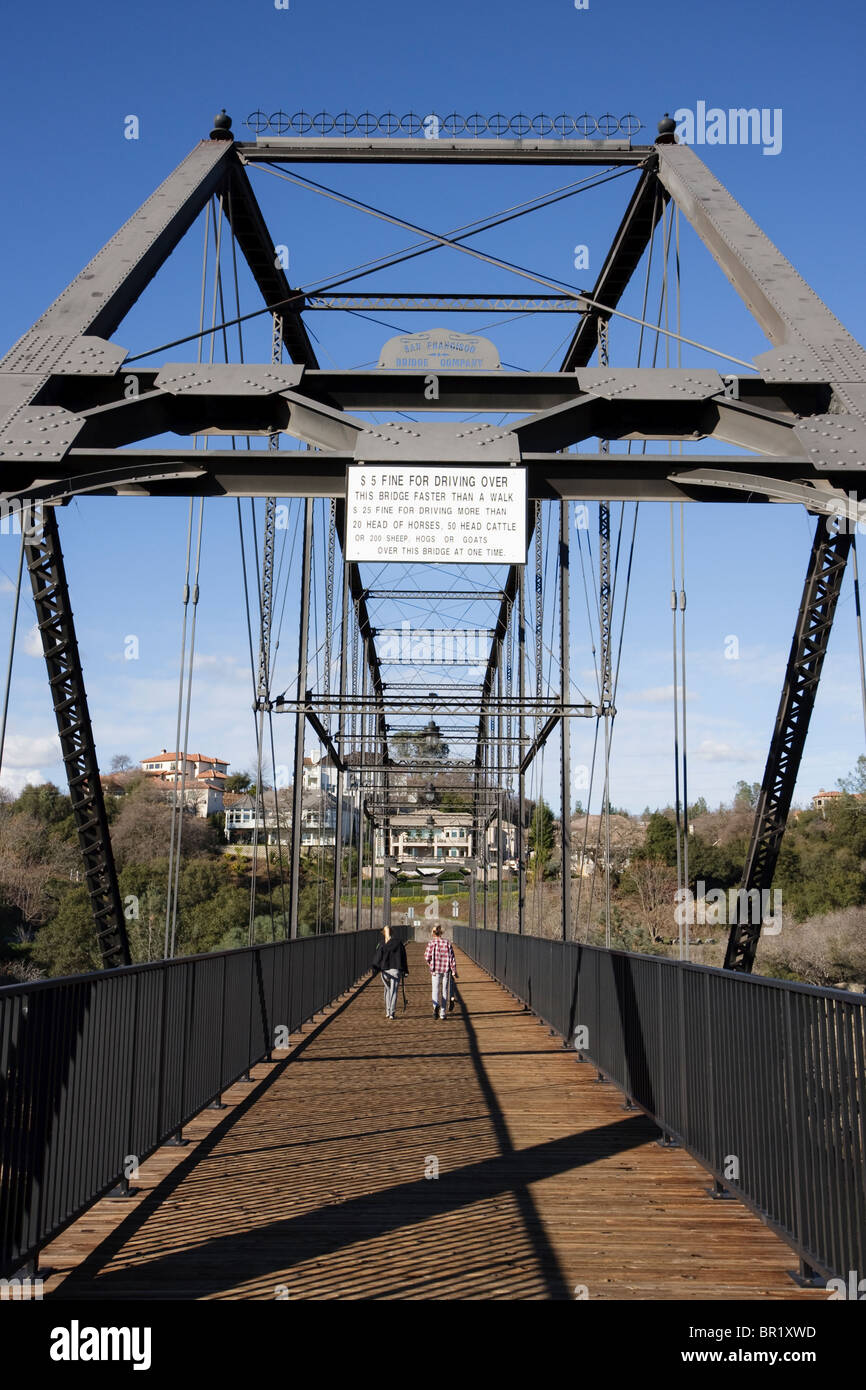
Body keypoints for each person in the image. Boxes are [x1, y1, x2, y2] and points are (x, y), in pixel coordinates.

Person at [372, 924, 409, 1020]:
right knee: (394, 991)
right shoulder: (399, 943)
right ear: (392, 932)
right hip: (395, 969)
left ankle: (388, 1011)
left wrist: (375, 969)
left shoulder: (381, 944)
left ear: (384, 933)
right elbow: (403, 957)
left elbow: (377, 957)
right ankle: (392, 1012)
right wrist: (405, 970)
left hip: (385, 971)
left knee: (387, 990)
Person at [424, 923, 458, 1020]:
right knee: (444, 991)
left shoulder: (431, 943)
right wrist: (454, 970)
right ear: (441, 933)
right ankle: (443, 1013)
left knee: (435, 989)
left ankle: (435, 1008)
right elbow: (452, 958)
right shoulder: (447, 943)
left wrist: (430, 964)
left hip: (435, 970)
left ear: (434, 934)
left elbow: (427, 956)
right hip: (446, 970)